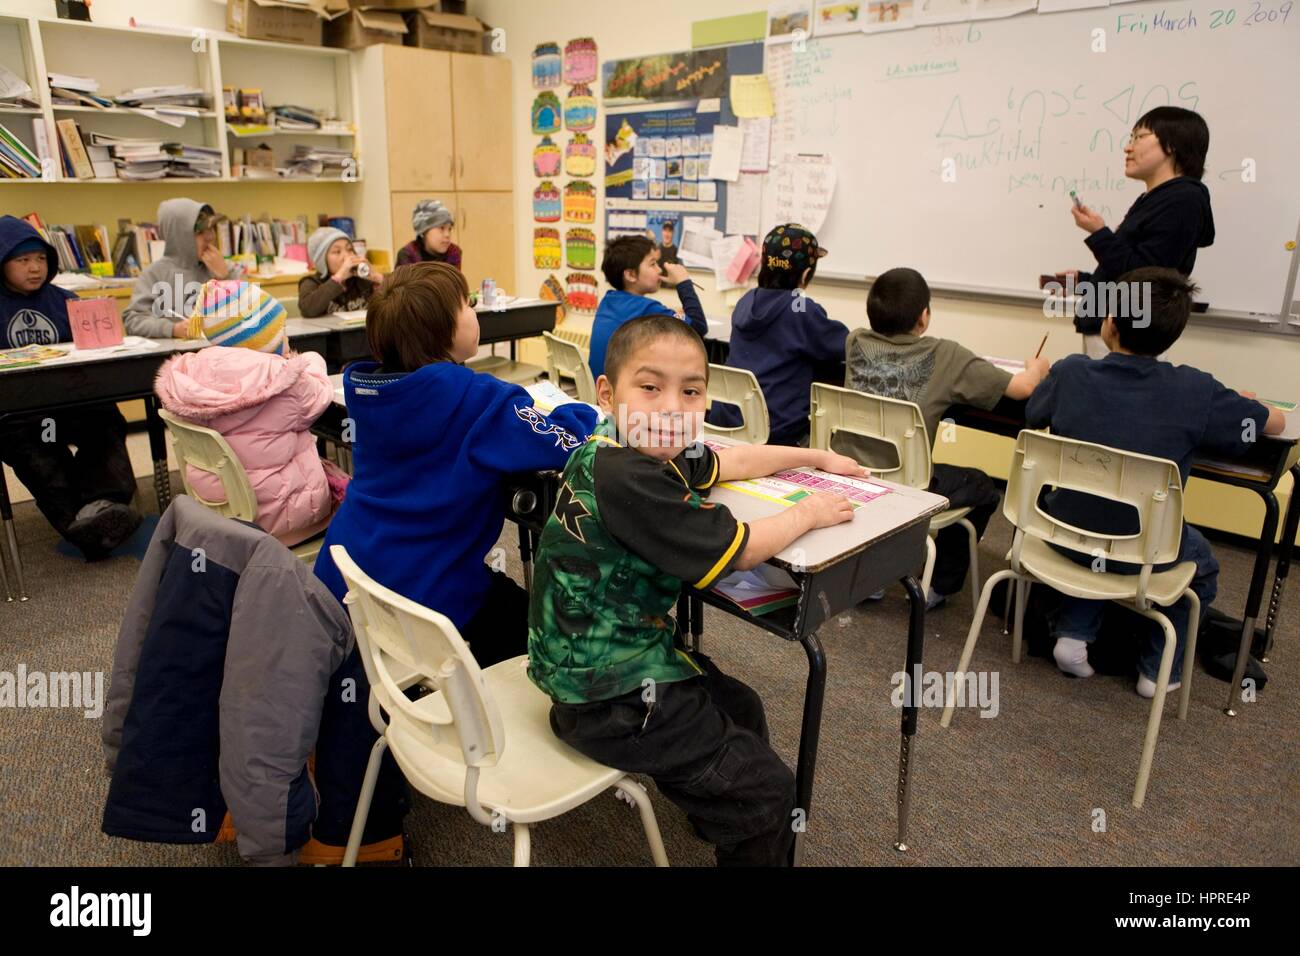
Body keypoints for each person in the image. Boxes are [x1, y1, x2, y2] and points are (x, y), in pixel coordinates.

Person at [529, 313, 871, 866]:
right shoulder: (633, 477)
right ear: (607, 392)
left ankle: (717, 811)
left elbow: (730, 460)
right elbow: (742, 548)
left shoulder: (615, 444)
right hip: (606, 697)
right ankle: (743, 813)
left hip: (598, 668)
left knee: (743, 705)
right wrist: (811, 509)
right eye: (650, 387)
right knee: (771, 793)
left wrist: (815, 458)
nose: (670, 407)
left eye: (690, 391)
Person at [1026, 267, 1283, 697]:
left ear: (1109, 322)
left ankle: (1073, 635)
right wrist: (1249, 405)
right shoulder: (1195, 392)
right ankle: (1159, 669)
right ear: (1172, 335)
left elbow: (1034, 413)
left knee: (1095, 530)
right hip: (1146, 550)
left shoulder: (1070, 374)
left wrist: (1042, 372)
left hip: (1060, 533)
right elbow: (1268, 425)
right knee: (1201, 563)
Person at [846, 266, 1048, 607]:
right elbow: (1022, 389)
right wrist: (1037, 367)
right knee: (982, 486)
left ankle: (872, 576)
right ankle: (937, 586)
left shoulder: (855, 342)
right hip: (908, 486)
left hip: (851, 474)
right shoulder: (945, 355)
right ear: (923, 317)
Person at [155, 280, 336, 546]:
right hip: (282, 516)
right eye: (281, 331)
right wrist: (307, 360)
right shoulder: (285, 382)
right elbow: (320, 395)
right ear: (263, 340)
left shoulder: (190, 375)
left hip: (219, 510)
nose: (286, 337)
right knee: (349, 489)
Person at [0, 215, 140, 559]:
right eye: (23, 260)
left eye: (40, 259)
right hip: (18, 416)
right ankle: (81, 524)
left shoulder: (68, 300)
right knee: (39, 454)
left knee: (105, 420)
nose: (34, 268)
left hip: (71, 405)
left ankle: (103, 504)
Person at [1064, 107, 1214, 354]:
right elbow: (1131, 269)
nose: (1128, 147)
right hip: (1111, 330)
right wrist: (1086, 281)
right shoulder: (1158, 198)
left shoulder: (1182, 200)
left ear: (1173, 144)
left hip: (1127, 338)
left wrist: (1099, 234)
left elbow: (1148, 277)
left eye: (1139, 137)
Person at [713, 224, 849, 446]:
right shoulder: (800, 308)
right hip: (776, 434)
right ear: (806, 274)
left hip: (727, 423)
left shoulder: (746, 300)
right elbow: (842, 345)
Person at [588, 235, 707, 379]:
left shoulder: (609, 299)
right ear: (631, 275)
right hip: (622, 400)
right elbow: (699, 327)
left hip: (599, 394)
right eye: (652, 264)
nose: (659, 270)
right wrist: (683, 282)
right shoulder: (647, 308)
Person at [123, 199, 241, 338]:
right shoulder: (155, 275)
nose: (211, 237)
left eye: (211, 229)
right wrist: (173, 329)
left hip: (221, 353)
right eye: (201, 232)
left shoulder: (224, 268)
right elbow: (134, 321)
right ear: (179, 236)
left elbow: (251, 316)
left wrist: (225, 278)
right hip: (177, 355)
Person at [297, 227, 384, 317]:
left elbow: (395, 299)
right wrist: (339, 277)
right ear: (322, 261)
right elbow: (308, 310)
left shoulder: (361, 279)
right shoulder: (311, 282)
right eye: (337, 252)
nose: (346, 256)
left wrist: (375, 277)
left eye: (350, 249)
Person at [394, 200, 461, 270]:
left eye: (449, 229)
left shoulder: (453, 252)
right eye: (441, 228)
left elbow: (453, 280)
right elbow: (402, 280)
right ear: (423, 231)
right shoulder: (407, 254)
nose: (447, 235)